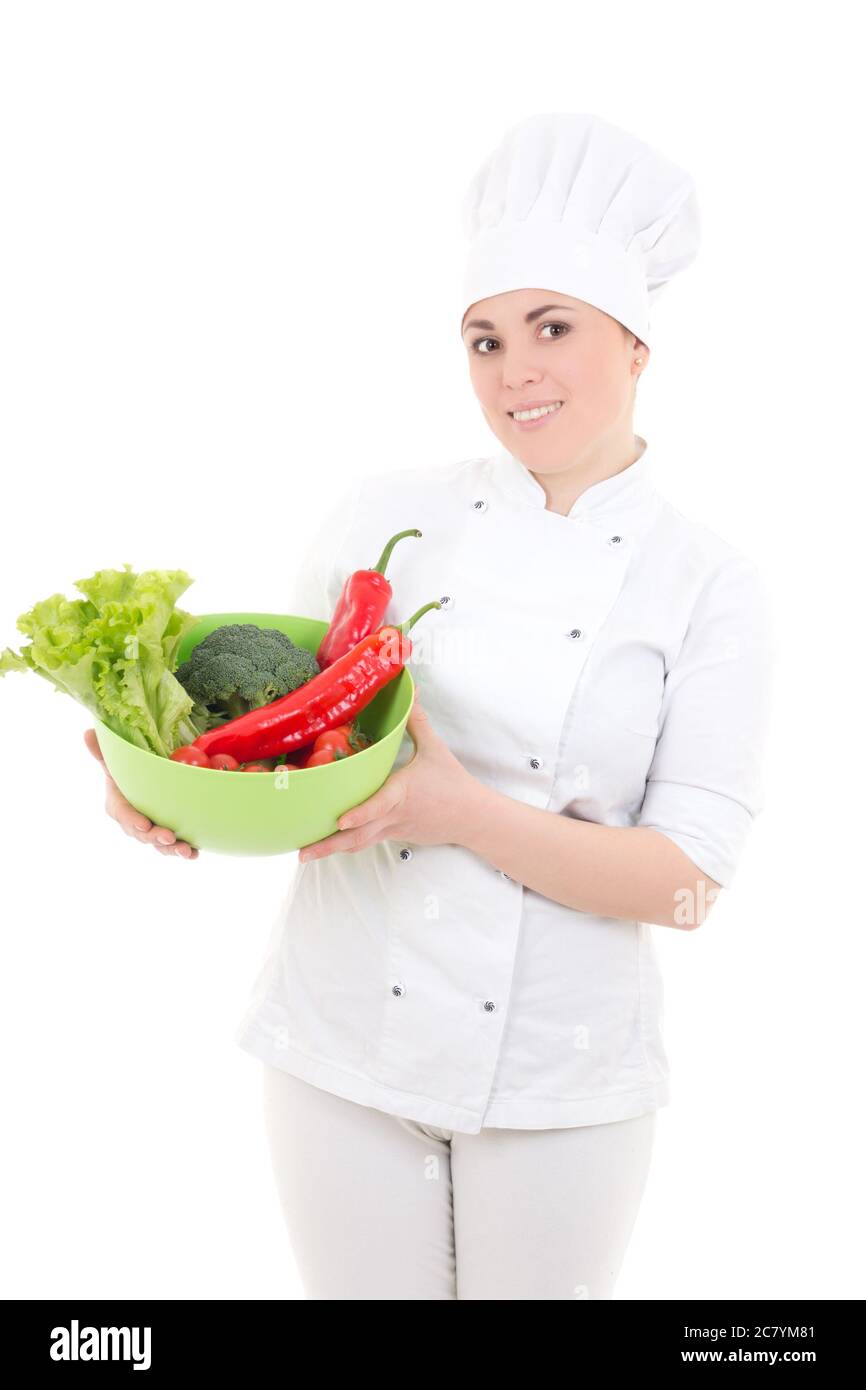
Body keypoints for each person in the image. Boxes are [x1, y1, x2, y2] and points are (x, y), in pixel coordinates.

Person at [85, 112, 773, 1300]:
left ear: (637, 344)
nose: (516, 373)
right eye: (484, 339)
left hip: (560, 1082)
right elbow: (280, 741)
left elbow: (686, 884)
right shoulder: (380, 512)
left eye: (551, 327)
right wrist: (157, 782)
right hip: (337, 1043)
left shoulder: (706, 583)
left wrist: (459, 812)